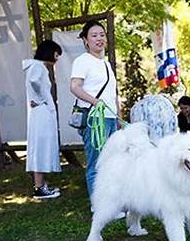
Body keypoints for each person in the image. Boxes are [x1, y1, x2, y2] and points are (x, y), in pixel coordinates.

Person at [70, 20, 120, 204]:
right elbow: (74, 87)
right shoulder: (82, 61)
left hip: (110, 119)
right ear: (85, 40)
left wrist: (118, 117)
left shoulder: (106, 64)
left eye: (101, 34)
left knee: (112, 162)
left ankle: (112, 202)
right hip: (94, 119)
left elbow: (112, 93)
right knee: (96, 163)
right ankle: (98, 205)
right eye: (94, 35)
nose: (99, 38)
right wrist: (95, 101)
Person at [23, 40, 62, 199]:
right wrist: (41, 99)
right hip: (41, 113)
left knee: (41, 146)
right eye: (56, 54)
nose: (57, 57)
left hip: (39, 112)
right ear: (49, 52)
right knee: (41, 147)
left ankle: (41, 184)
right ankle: (39, 188)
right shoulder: (38, 66)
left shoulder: (36, 66)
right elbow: (34, 82)